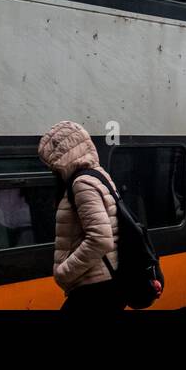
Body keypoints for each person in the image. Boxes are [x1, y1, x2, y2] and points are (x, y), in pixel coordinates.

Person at [37, 120, 122, 311]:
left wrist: (64, 273)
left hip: (96, 287)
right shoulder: (98, 175)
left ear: (61, 158)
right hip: (105, 282)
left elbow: (100, 240)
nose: (50, 169)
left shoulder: (81, 184)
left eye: (51, 163)